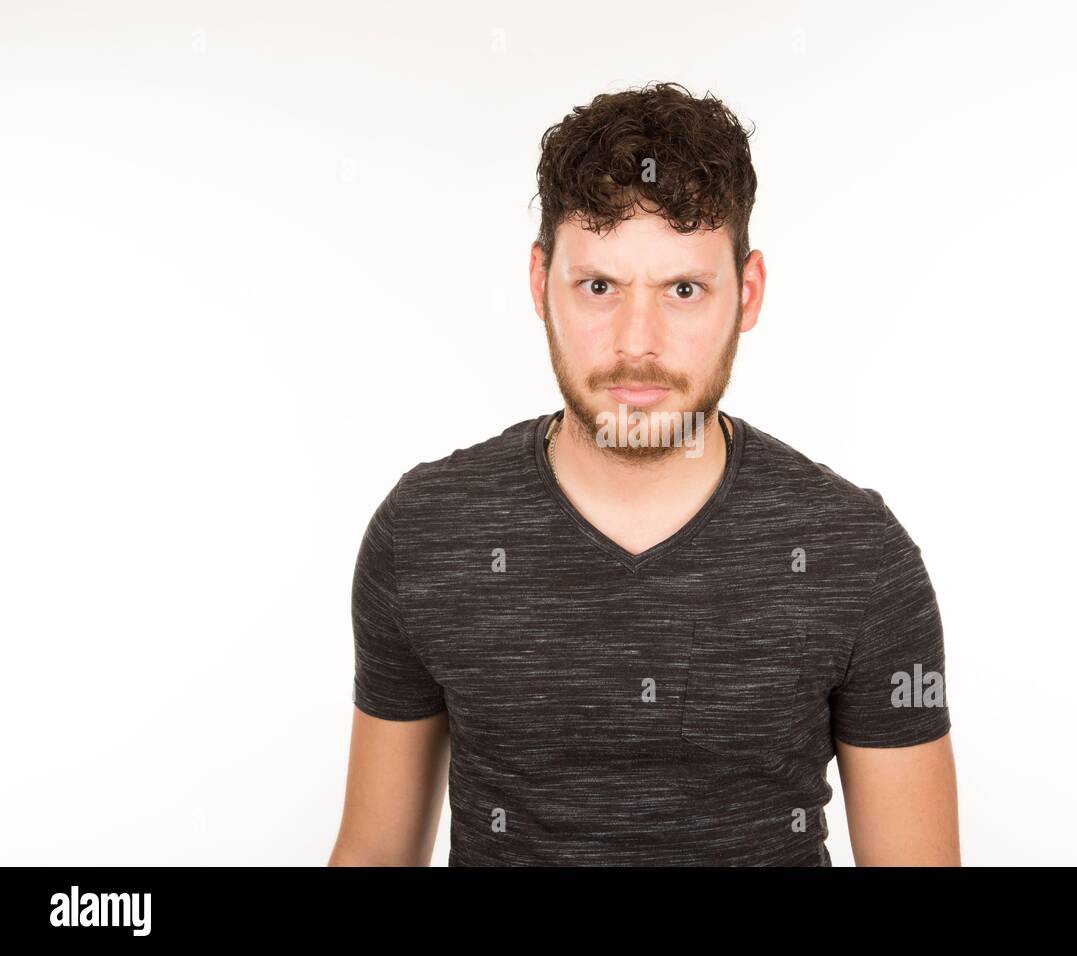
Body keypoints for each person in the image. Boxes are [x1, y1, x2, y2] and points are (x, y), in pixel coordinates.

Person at [329, 81, 958, 867]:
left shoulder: (859, 555)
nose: (638, 342)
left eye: (683, 290)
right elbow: (372, 856)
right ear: (539, 284)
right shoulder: (424, 532)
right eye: (600, 287)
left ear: (748, 292)